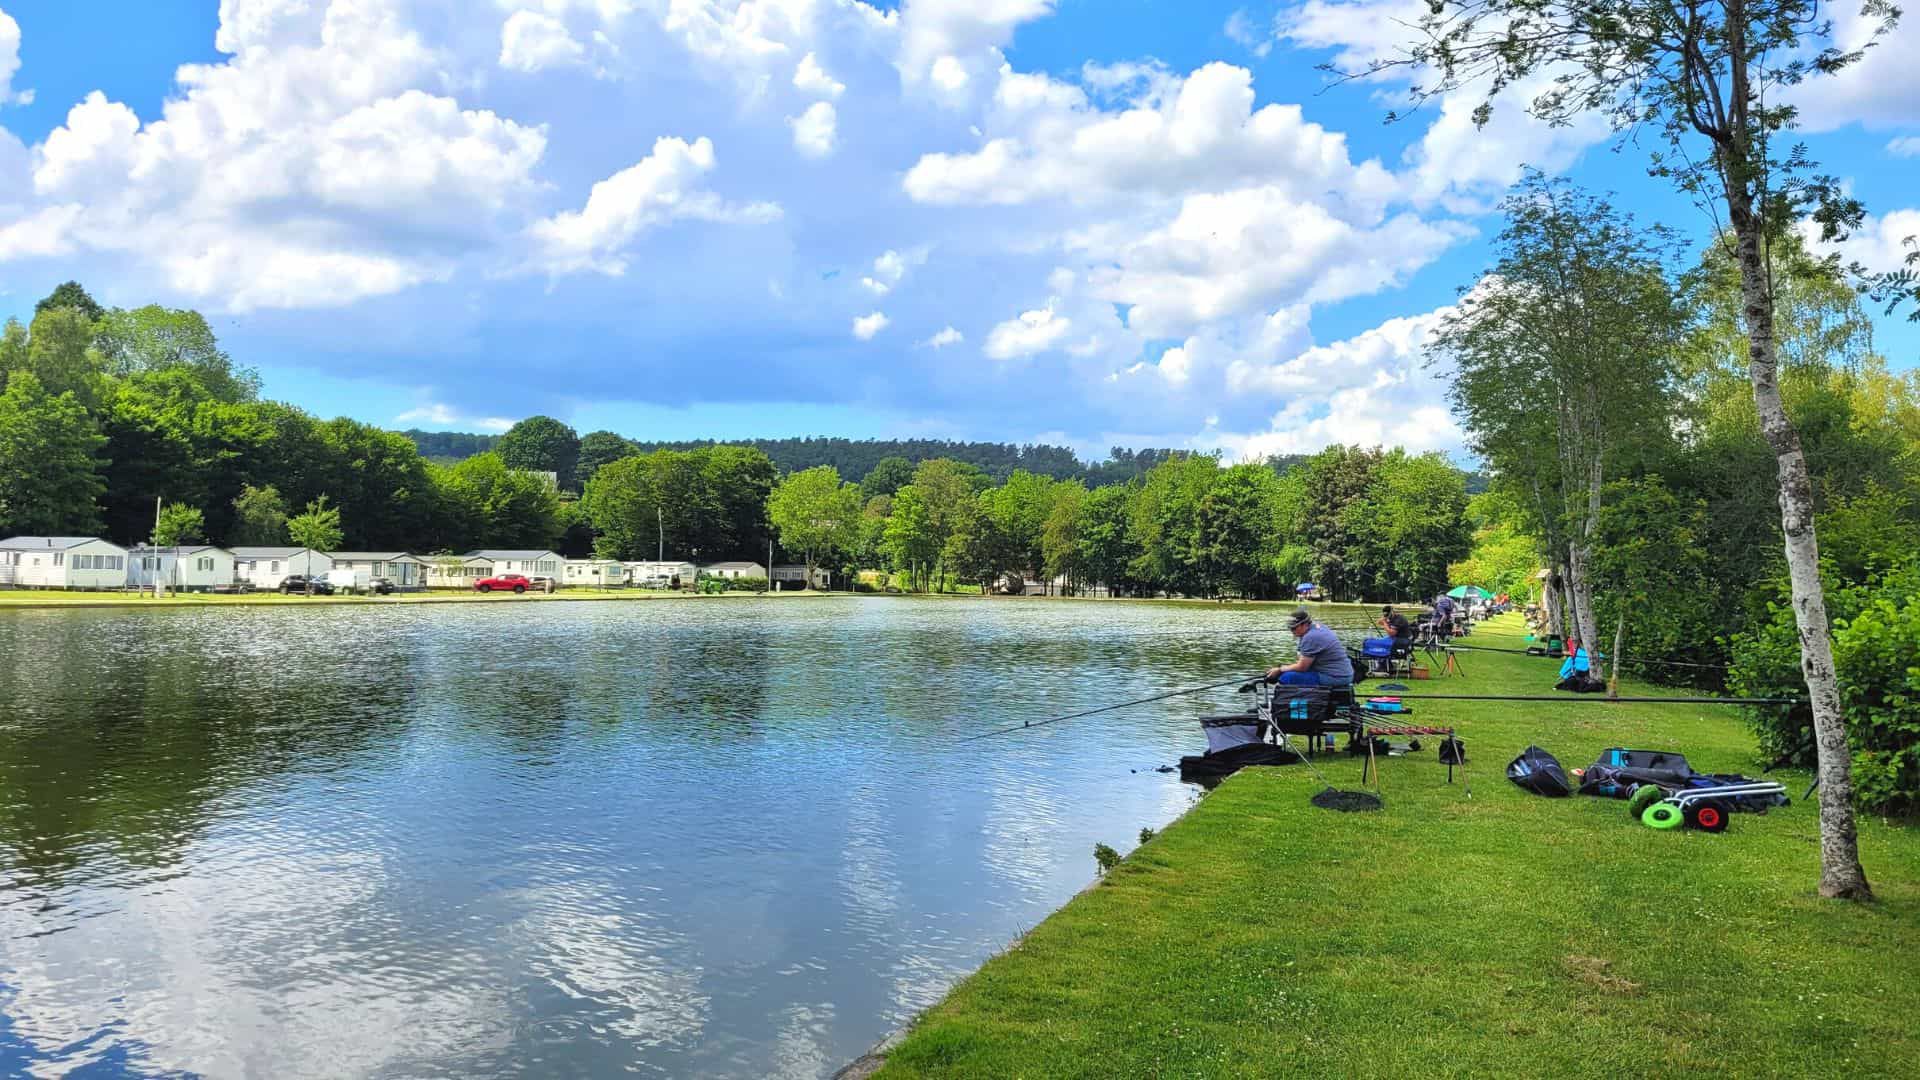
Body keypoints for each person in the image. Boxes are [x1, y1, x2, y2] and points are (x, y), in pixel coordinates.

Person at [1266, 608, 1354, 687]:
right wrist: (1284, 668)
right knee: (1289, 671)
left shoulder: (1311, 637)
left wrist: (1280, 670)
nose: (1292, 631)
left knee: (1287, 677)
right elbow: (1302, 660)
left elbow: (1302, 667)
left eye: (1294, 628)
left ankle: (1287, 703)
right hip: (1343, 673)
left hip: (1337, 677)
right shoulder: (1317, 626)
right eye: (1290, 628)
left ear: (1304, 624)